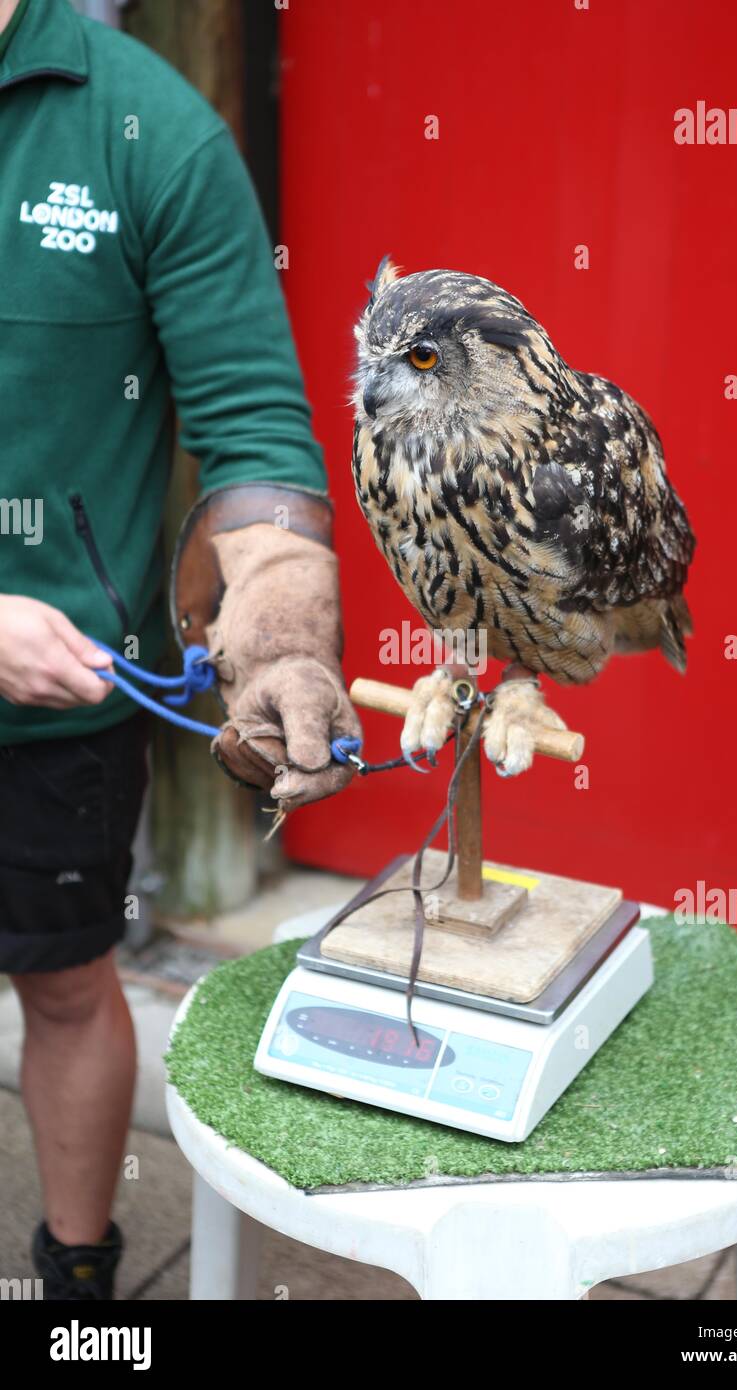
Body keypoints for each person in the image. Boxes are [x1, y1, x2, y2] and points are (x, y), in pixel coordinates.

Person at [0, 0, 358, 1299]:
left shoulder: (147, 130)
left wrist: (278, 625)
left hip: (58, 721)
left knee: (66, 987)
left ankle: (79, 1279)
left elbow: (254, 419)